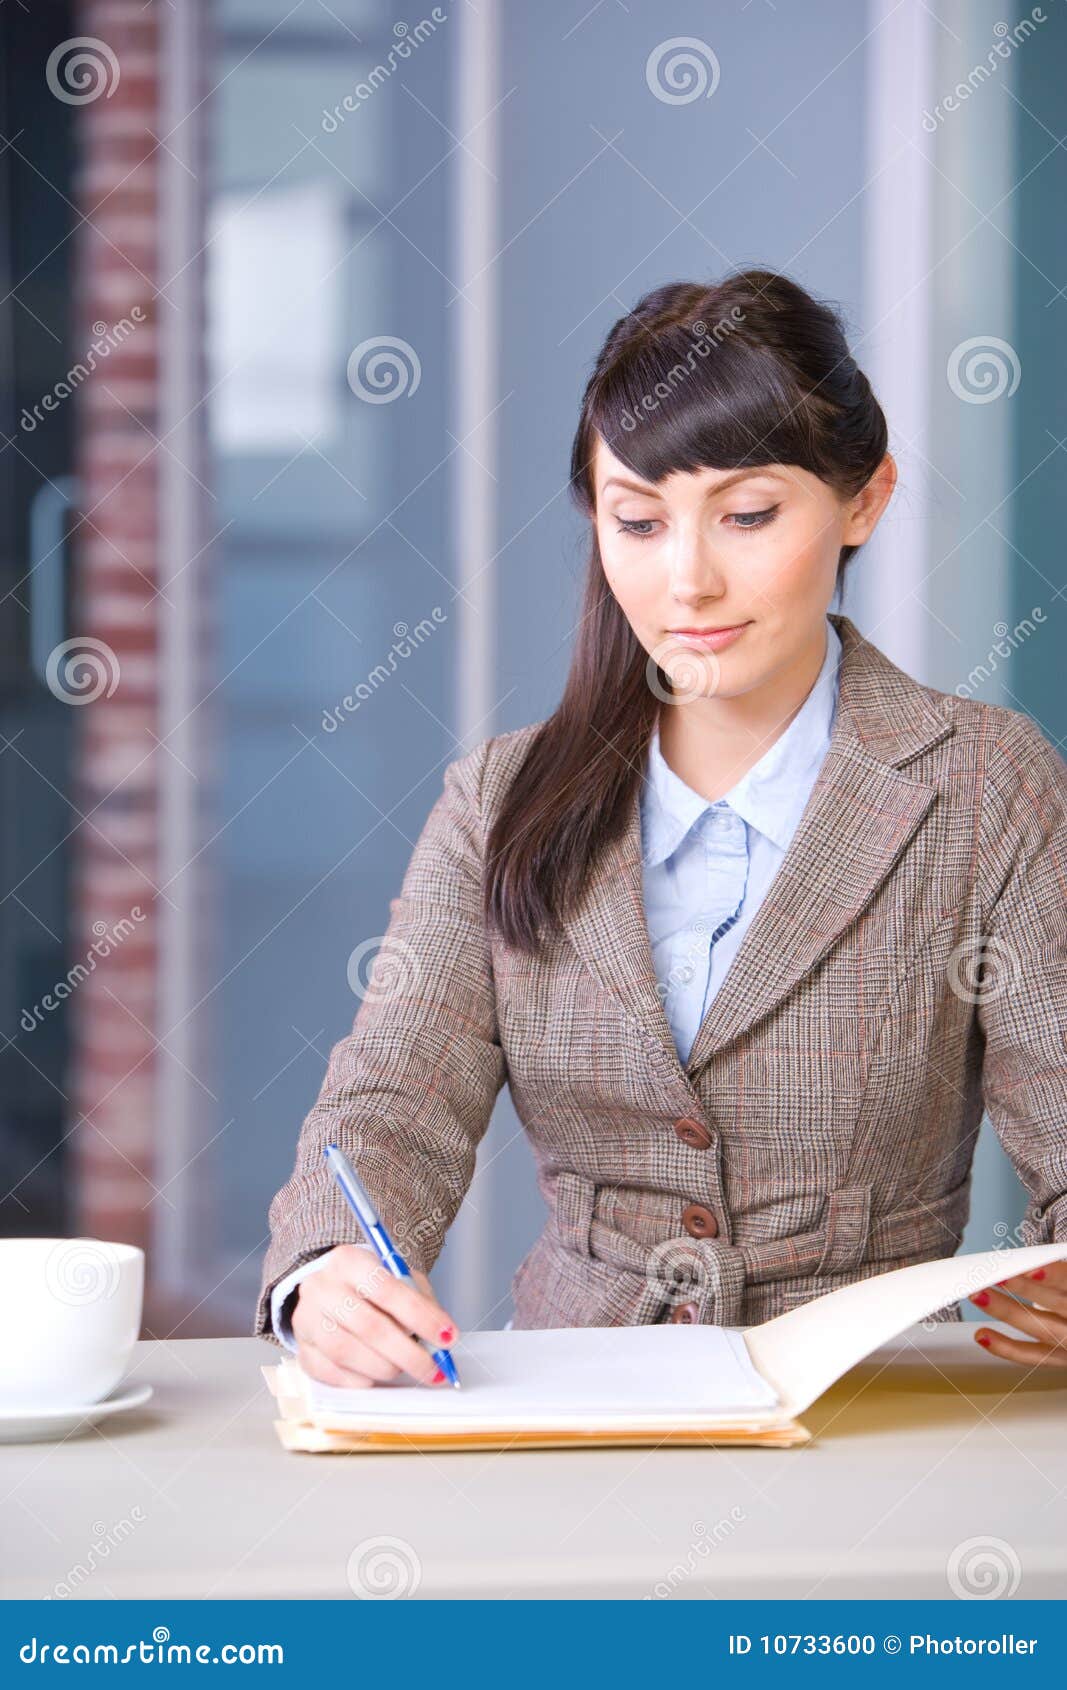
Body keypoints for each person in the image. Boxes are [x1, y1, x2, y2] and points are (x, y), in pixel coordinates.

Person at [256, 267, 1067, 1389]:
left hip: (872, 1419)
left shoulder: (982, 783)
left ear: (862, 500)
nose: (686, 577)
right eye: (638, 520)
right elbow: (390, 1098)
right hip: (570, 1420)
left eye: (745, 515)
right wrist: (326, 1270)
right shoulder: (500, 800)